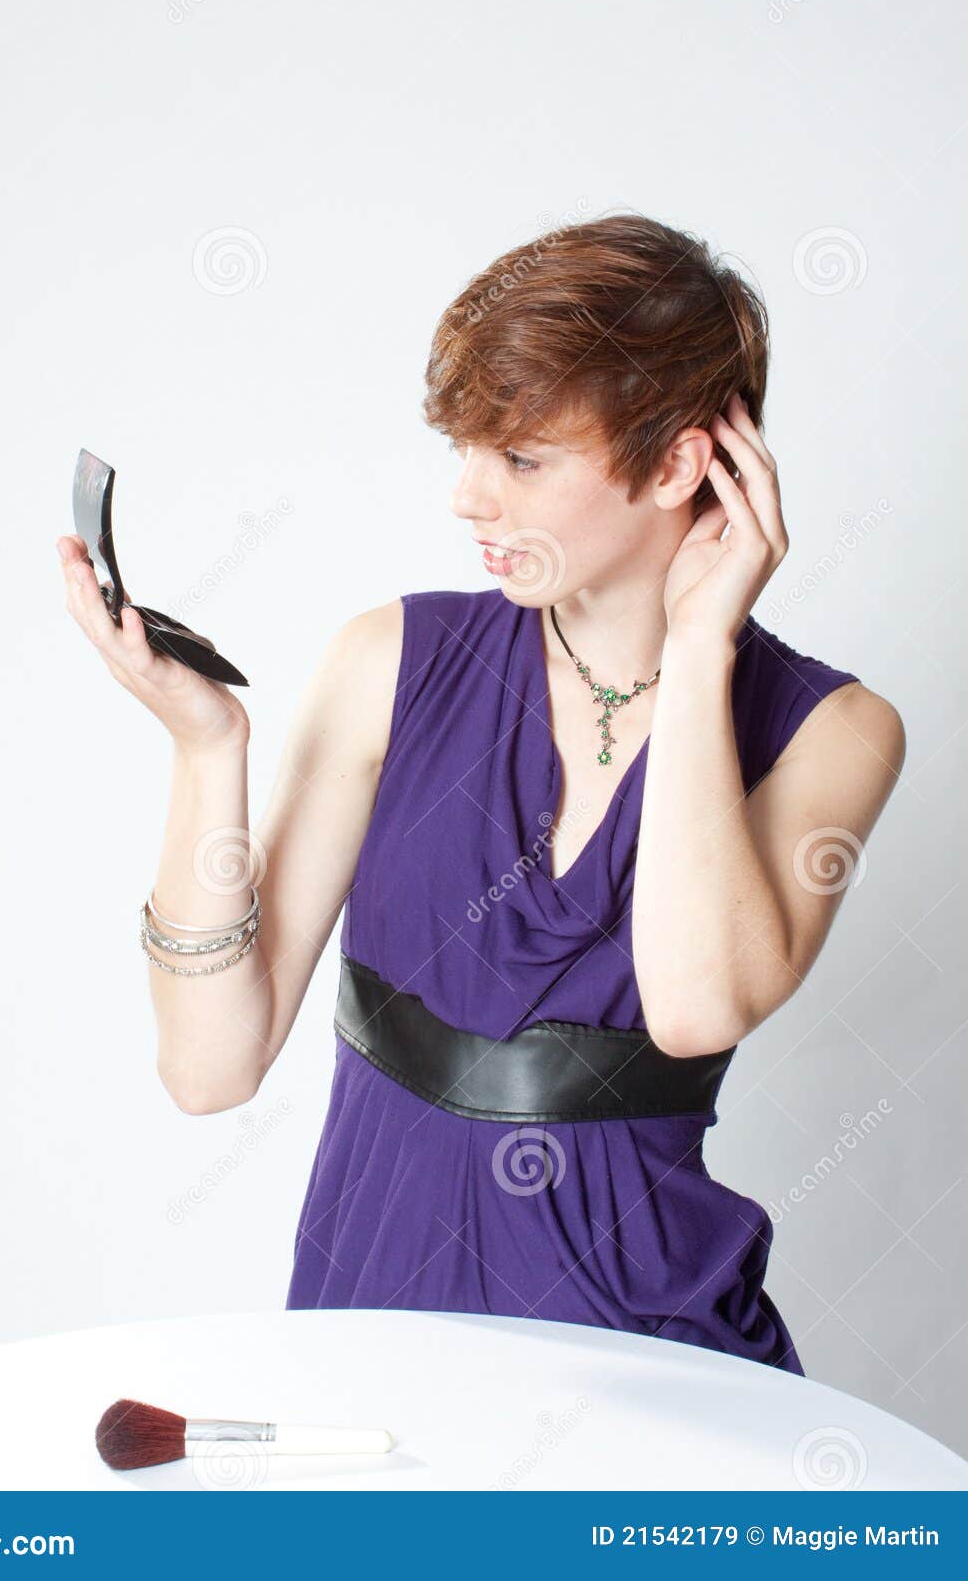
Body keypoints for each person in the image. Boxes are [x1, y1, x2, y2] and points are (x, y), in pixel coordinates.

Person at [56, 212, 904, 1376]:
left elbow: (697, 1008)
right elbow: (210, 1068)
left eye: (519, 458)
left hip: (656, 1366)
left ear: (674, 465)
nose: (467, 498)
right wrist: (209, 747)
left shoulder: (835, 732)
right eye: (461, 448)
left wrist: (703, 650)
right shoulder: (390, 661)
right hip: (376, 1334)